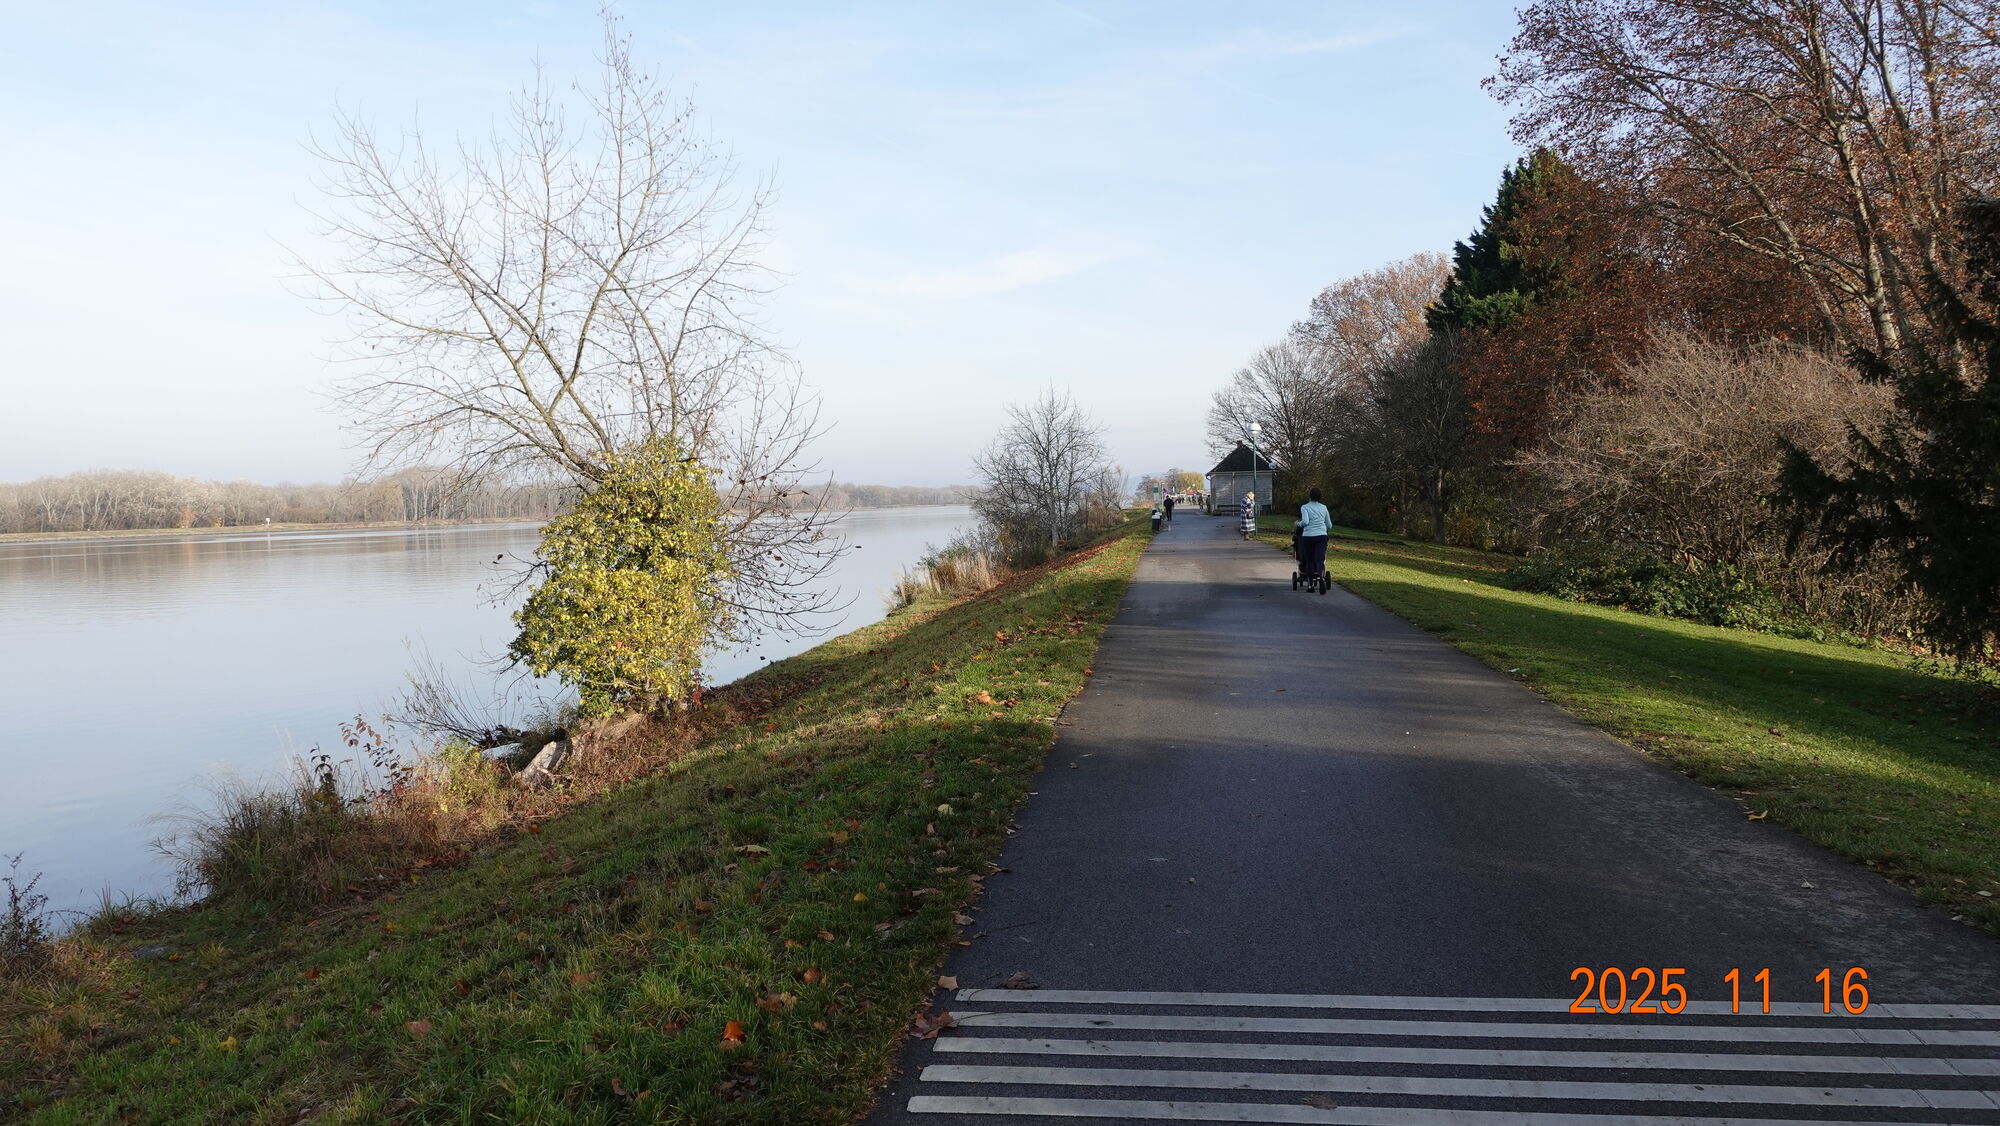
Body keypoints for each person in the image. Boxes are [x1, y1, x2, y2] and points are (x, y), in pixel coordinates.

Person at [1294, 486, 1333, 585]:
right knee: (1319, 559)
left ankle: (1310, 585)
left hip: (1308, 537)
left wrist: (1298, 523)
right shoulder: (1324, 508)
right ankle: (1320, 577)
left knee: (1310, 560)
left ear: (1309, 496)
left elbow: (1305, 522)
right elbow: (1329, 525)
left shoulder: (1305, 507)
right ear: (1320, 497)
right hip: (1321, 536)